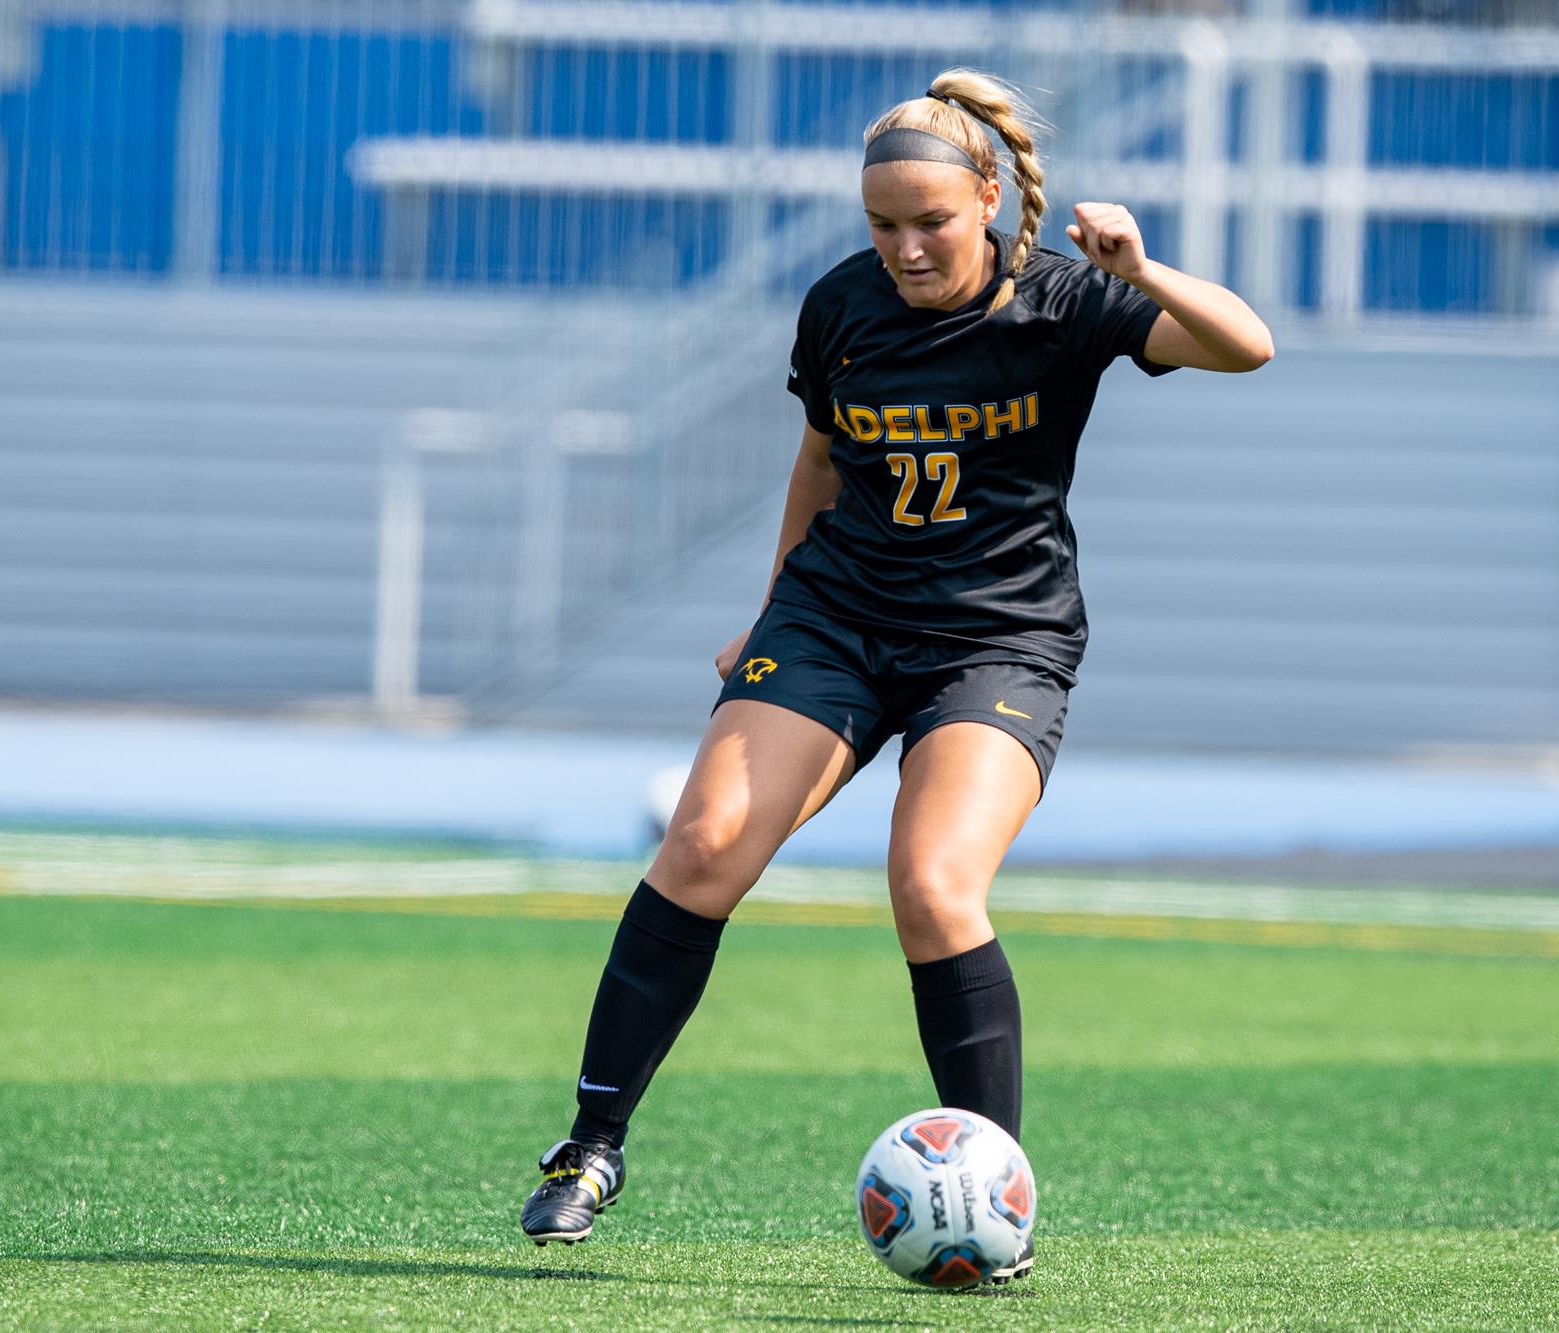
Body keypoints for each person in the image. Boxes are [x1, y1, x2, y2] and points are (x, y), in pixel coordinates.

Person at [519, 67, 1272, 1284]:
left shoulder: (1068, 301)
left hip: (996, 637)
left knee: (930, 882)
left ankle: (995, 1198)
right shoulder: (840, 307)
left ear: (987, 198)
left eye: (929, 222)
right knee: (703, 841)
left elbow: (1248, 346)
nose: (907, 248)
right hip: (835, 614)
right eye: (883, 227)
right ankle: (590, 1146)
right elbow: (819, 456)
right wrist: (769, 608)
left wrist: (1139, 270)